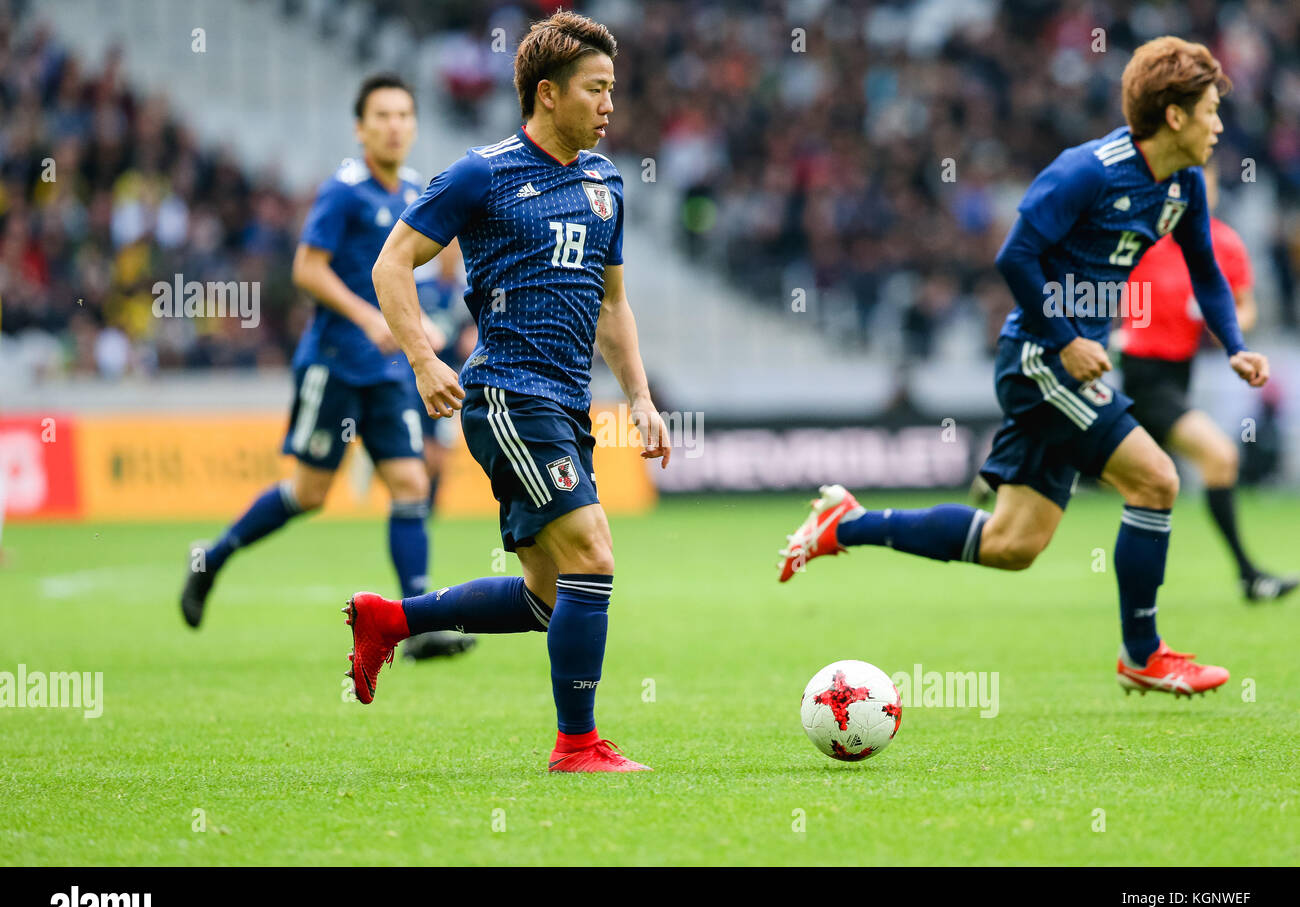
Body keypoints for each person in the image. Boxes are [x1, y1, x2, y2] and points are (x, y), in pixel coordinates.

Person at [779, 37, 1271, 698]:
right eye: (1211, 109)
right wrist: (1066, 338)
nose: (1219, 123)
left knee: (1012, 544)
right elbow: (1015, 257)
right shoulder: (1088, 171)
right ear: (1175, 115)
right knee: (1155, 479)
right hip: (1042, 362)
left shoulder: (1182, 186)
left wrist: (1233, 341)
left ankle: (847, 524)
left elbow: (1207, 271)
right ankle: (1143, 653)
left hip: (1072, 367)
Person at [341, 12, 672, 772]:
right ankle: (577, 745)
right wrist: (425, 361)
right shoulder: (481, 173)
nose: (610, 104)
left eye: (614, 89)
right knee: (594, 555)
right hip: (508, 399)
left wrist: (642, 398)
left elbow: (613, 304)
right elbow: (392, 265)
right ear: (547, 94)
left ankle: (390, 619)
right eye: (597, 89)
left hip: (566, 406)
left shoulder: (606, 182)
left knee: (548, 597)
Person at [181, 74, 472, 659]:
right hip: (336, 364)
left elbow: (446, 262)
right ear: (361, 128)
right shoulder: (343, 192)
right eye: (382, 116)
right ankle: (213, 557)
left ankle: (413, 626)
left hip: (390, 370)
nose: (394, 126)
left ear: (414, 126)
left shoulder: (419, 191)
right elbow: (308, 269)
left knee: (412, 483)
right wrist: (370, 318)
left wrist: (440, 311)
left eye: (403, 115)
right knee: (311, 493)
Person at [1120, 162, 1296, 601]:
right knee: (1218, 457)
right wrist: (1120, 324)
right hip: (1142, 373)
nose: (1198, 194)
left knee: (1140, 480)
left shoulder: (1225, 243)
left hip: (1181, 374)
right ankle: (1249, 576)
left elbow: (1245, 307)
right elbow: (1121, 294)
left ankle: (1030, 461)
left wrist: (1225, 325)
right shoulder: (1148, 238)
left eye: (1206, 186)